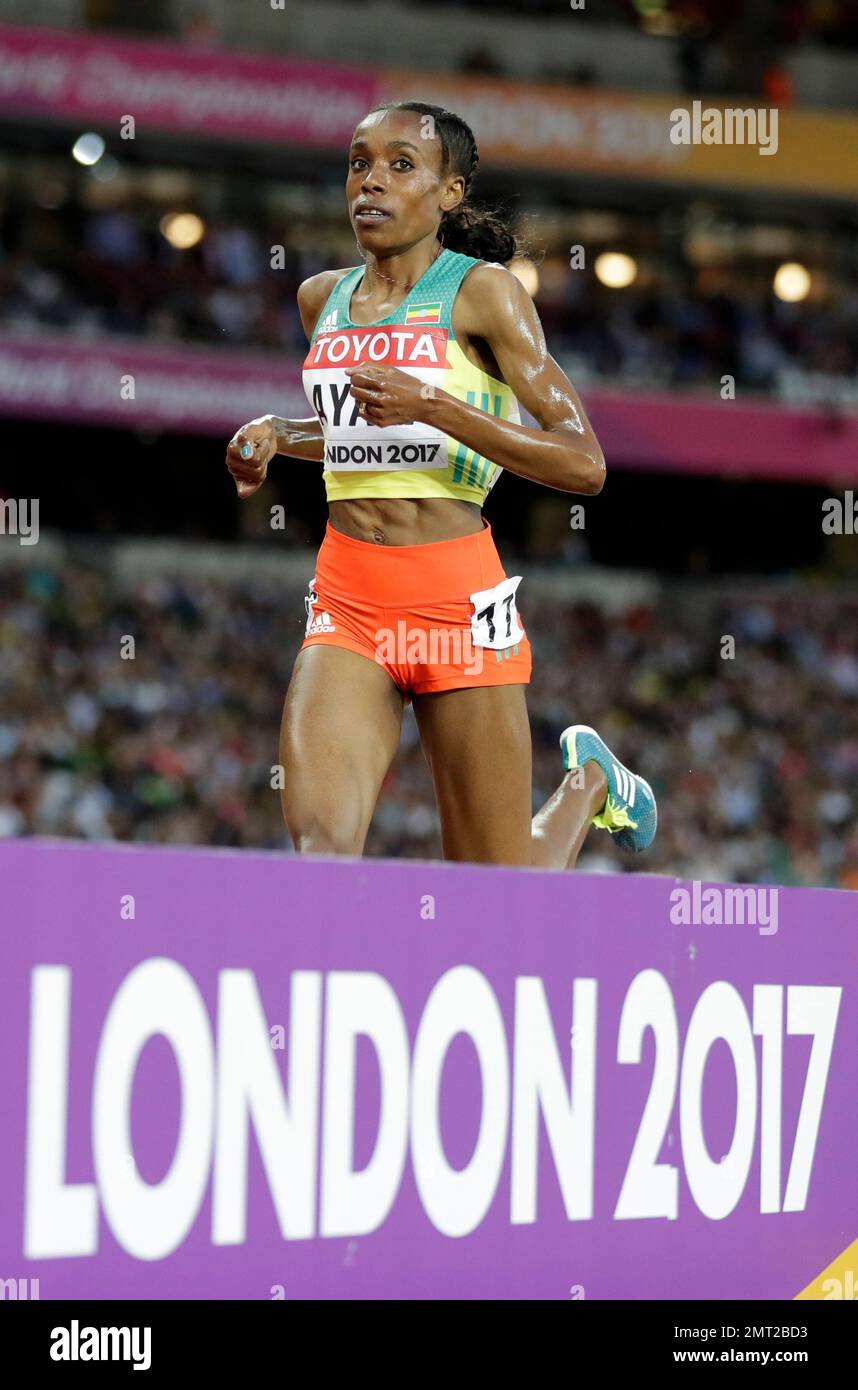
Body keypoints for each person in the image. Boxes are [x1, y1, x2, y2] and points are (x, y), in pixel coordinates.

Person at [225, 100, 656, 866]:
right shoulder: (320, 299)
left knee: (493, 891)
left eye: (400, 165)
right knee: (320, 854)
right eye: (359, 162)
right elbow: (364, 434)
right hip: (349, 598)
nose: (371, 182)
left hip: (460, 600)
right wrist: (278, 435)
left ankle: (591, 783)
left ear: (449, 193)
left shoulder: (485, 294)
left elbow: (583, 462)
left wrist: (438, 406)